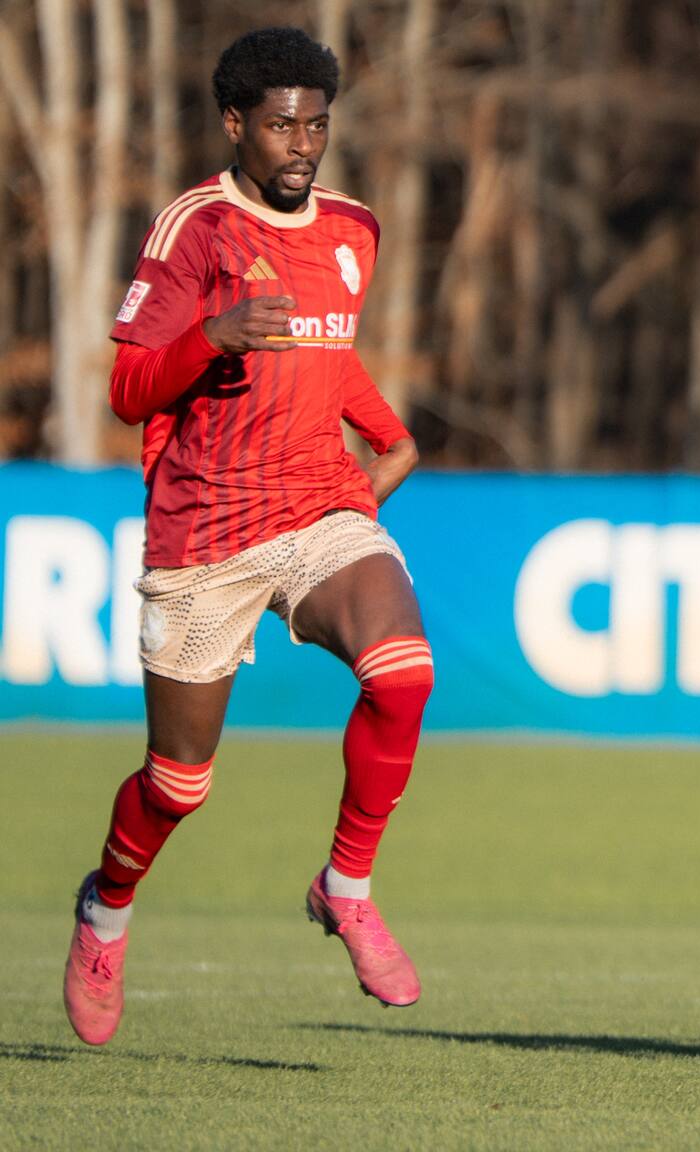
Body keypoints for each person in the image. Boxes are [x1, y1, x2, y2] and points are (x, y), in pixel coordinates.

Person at [63, 28, 432, 1047]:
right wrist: (210, 337)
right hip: (206, 531)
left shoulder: (355, 229)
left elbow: (323, 351)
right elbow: (130, 387)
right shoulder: (195, 228)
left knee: (403, 675)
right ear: (235, 124)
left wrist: (386, 432)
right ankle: (106, 909)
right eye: (280, 126)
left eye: (316, 125)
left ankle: (345, 886)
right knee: (178, 784)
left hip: (317, 505)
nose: (302, 145)